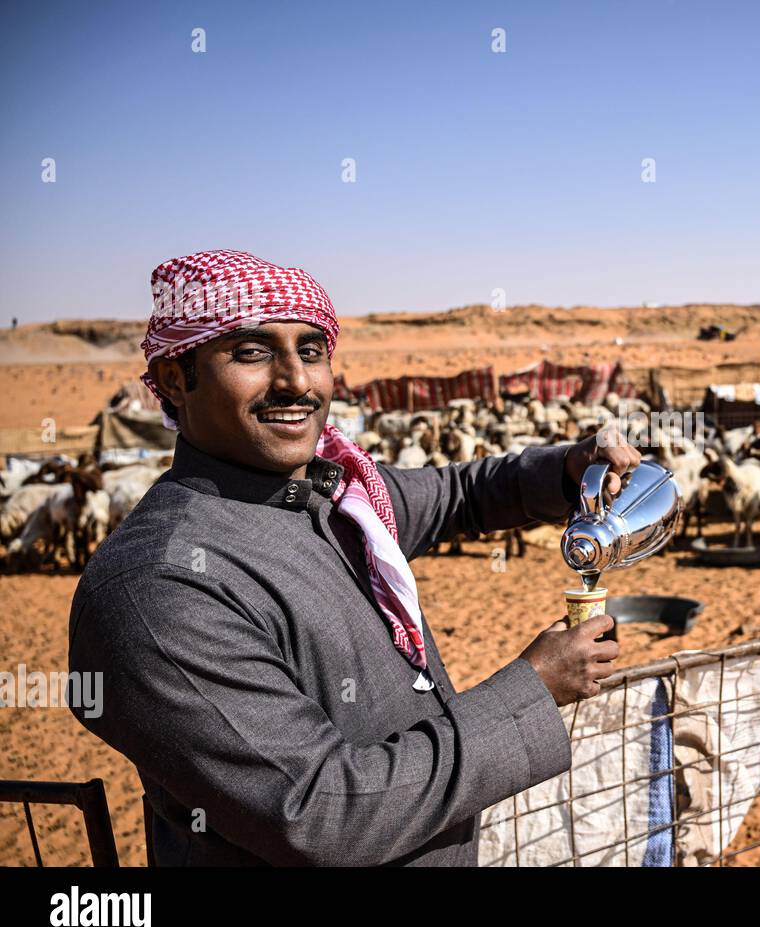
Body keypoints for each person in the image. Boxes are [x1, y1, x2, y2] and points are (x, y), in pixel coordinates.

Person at [67, 249, 640, 865]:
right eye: (252, 352)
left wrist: (568, 467)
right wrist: (534, 688)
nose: (296, 381)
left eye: (311, 351)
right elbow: (323, 811)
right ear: (177, 378)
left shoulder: (340, 502)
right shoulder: (160, 588)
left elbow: (461, 495)